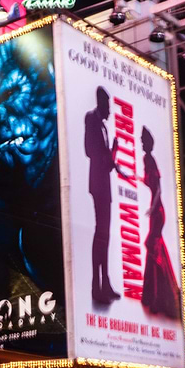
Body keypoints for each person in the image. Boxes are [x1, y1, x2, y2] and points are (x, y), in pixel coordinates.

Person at [140, 127, 181, 319]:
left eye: (142, 139)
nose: (140, 142)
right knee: (155, 250)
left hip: (158, 211)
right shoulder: (146, 159)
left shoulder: (149, 159)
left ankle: (159, 299)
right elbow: (151, 184)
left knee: (154, 249)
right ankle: (156, 296)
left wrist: (153, 207)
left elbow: (158, 191)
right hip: (156, 209)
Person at [84, 87, 120, 305]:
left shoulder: (103, 125)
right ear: (101, 103)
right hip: (98, 184)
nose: (110, 111)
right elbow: (91, 151)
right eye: (107, 106)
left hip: (104, 184)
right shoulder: (92, 119)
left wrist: (112, 153)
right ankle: (97, 286)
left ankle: (105, 282)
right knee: (101, 234)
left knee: (105, 235)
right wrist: (109, 155)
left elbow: (107, 162)